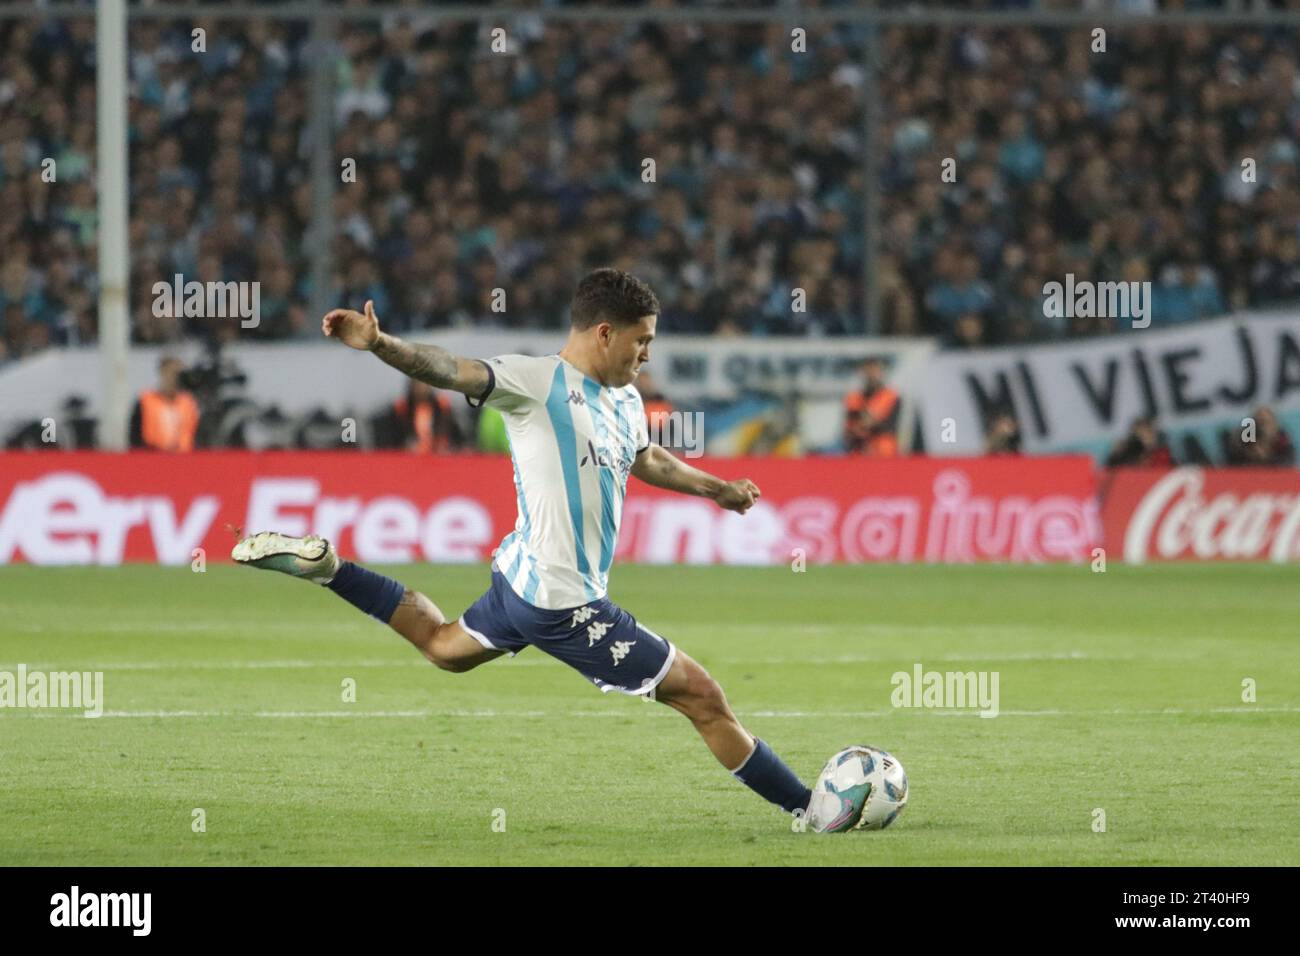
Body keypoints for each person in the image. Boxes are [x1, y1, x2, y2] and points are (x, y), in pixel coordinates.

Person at [231, 268, 851, 832]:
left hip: (521, 580)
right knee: (703, 697)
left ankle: (330, 569)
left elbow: (648, 458)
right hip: (564, 601)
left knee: (445, 647)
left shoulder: (626, 400)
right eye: (642, 341)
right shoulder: (534, 382)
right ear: (604, 333)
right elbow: (450, 369)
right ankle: (809, 809)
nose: (647, 354)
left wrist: (718, 490)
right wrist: (383, 344)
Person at [129, 355, 200, 451]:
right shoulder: (146, 401)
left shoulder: (187, 403)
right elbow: (135, 435)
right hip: (153, 455)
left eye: (178, 375)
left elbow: (194, 433)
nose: (174, 379)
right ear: (162, 373)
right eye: (171, 373)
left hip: (183, 458)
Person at [843, 357, 899, 457]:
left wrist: (868, 423)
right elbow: (851, 427)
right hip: (859, 452)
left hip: (884, 454)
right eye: (868, 371)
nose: (871, 375)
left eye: (875, 371)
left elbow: (890, 426)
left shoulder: (890, 396)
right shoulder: (854, 398)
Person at [1225, 405, 1296, 466]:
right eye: (1260, 422)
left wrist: (1268, 457)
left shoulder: (1283, 443)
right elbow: (1234, 464)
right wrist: (1252, 454)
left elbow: (1287, 466)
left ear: (1275, 424)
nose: (1263, 427)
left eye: (1266, 422)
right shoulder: (1244, 441)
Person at [1105, 416, 1173, 468]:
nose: (1144, 438)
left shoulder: (1163, 454)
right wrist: (1115, 456)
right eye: (1139, 435)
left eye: (1148, 433)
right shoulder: (1125, 456)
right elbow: (1111, 472)